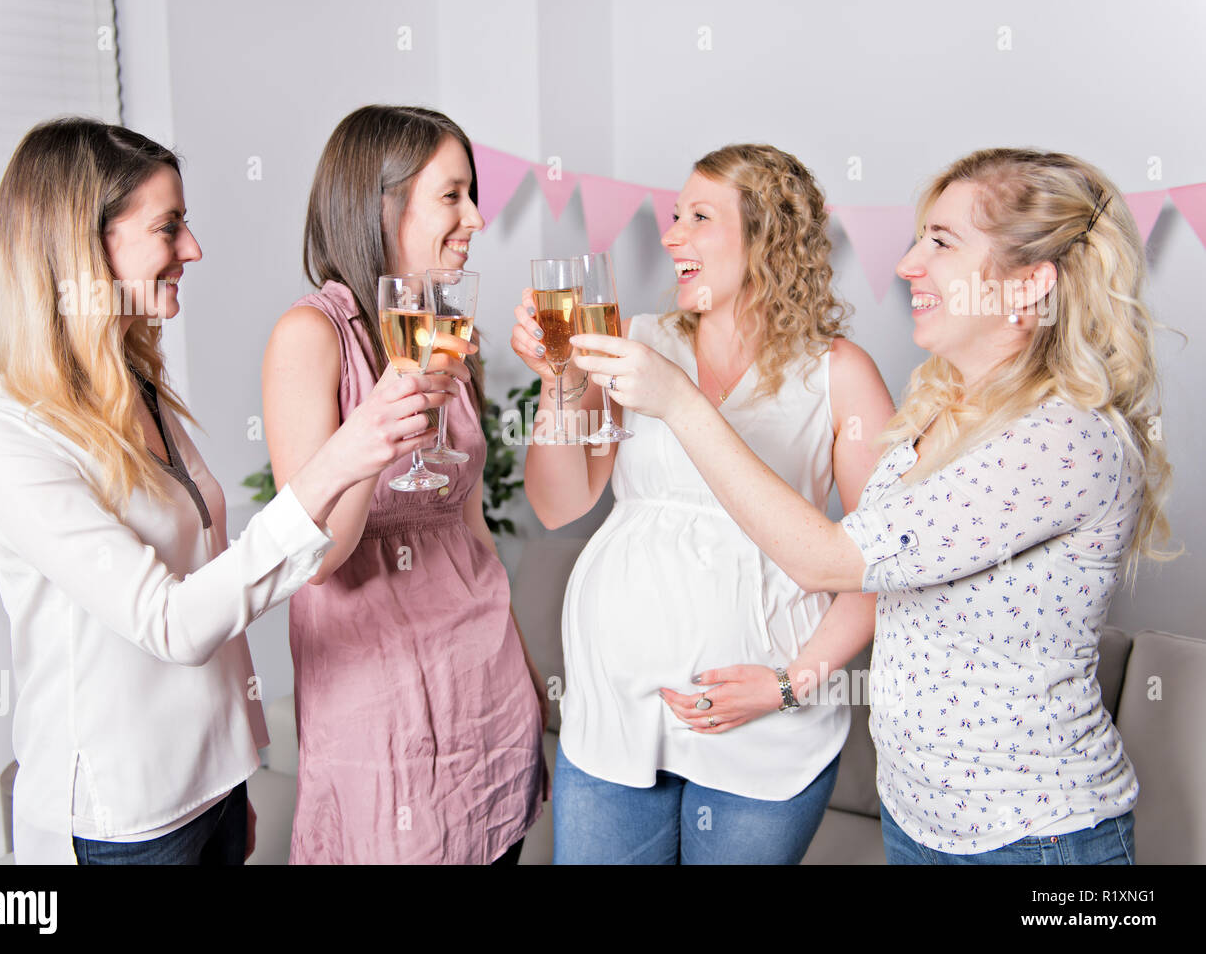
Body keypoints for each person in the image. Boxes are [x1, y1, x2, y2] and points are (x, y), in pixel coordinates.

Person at [572, 147, 1178, 865]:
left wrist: (680, 402)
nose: (907, 265)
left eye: (942, 243)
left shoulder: (1062, 440)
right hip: (920, 820)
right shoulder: (945, 407)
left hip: (1033, 838)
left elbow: (834, 561)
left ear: (1027, 286)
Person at [0, 117, 463, 864]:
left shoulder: (135, 388)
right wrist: (346, 455)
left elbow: (217, 578)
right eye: (169, 227)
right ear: (84, 246)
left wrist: (236, 773)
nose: (192, 248)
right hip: (125, 819)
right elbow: (173, 622)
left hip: (212, 787)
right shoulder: (3, 439)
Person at [512, 144, 896, 863]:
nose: (669, 236)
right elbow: (560, 503)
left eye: (698, 217)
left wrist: (789, 685)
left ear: (767, 238)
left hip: (764, 733)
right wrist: (557, 380)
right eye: (672, 215)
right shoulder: (634, 342)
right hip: (616, 715)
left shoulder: (839, 374)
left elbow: (879, 563)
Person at [262, 104, 546, 865]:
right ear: (382, 204)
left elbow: (469, 521)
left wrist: (520, 671)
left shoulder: (445, 327)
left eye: (472, 194)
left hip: (485, 687)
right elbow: (315, 557)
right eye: (451, 196)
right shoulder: (311, 337)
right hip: (381, 710)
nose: (476, 218)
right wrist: (390, 417)